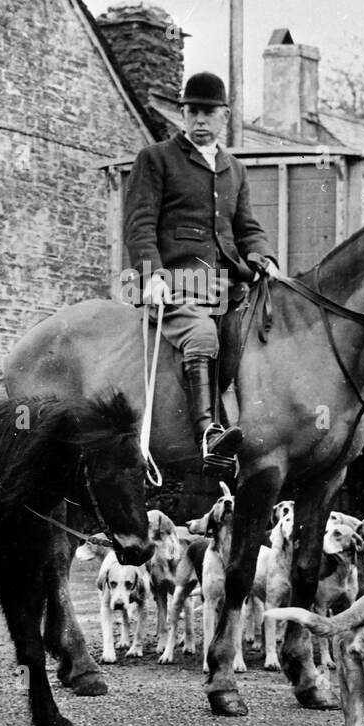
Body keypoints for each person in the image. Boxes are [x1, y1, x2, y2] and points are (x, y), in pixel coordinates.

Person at [123, 71, 278, 467]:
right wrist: (152, 275)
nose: (200, 122)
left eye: (209, 113)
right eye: (192, 112)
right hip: (175, 285)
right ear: (183, 114)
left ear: (225, 116)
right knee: (202, 335)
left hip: (229, 286)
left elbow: (247, 228)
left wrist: (264, 257)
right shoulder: (155, 159)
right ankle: (208, 434)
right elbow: (139, 224)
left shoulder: (235, 169)